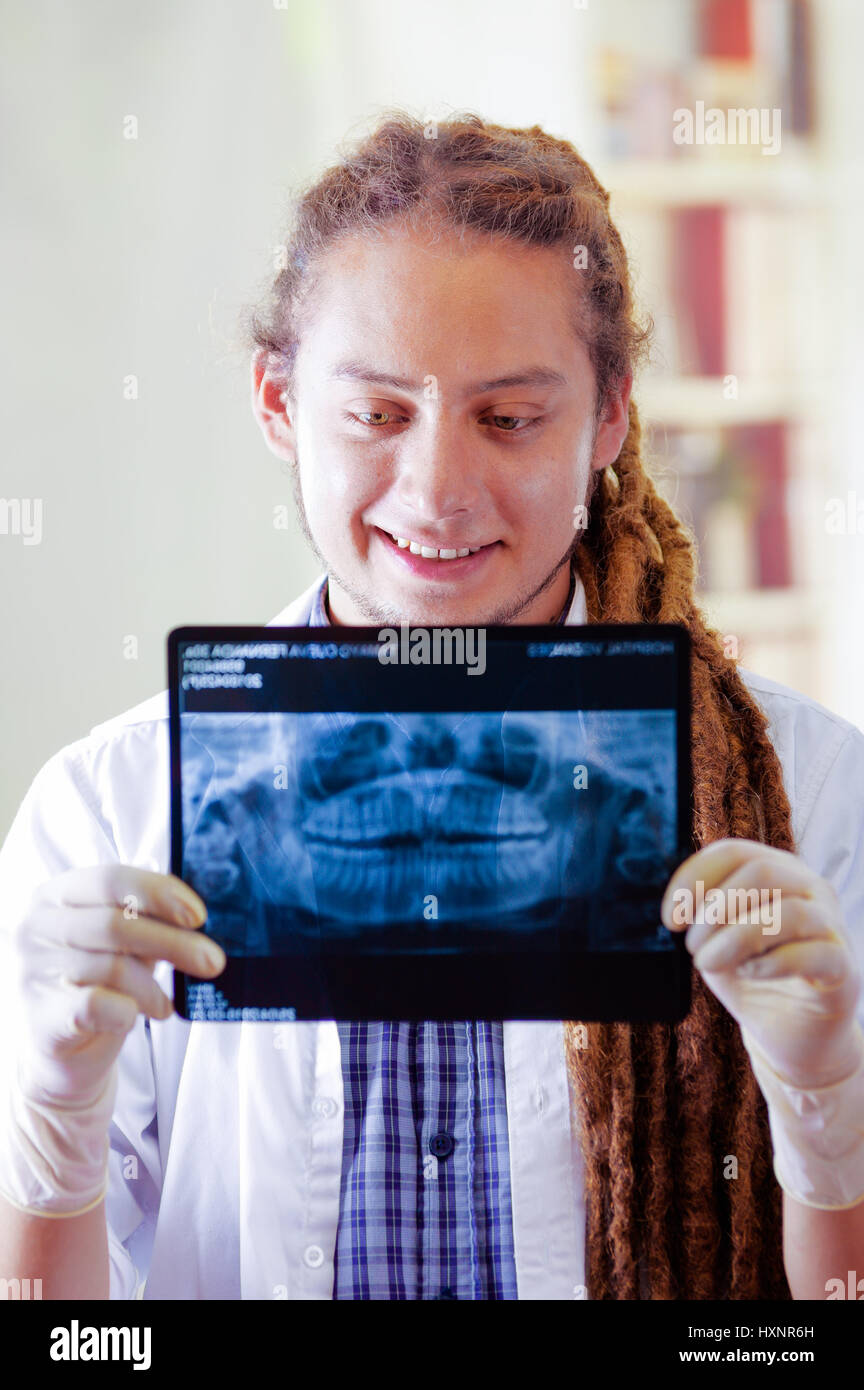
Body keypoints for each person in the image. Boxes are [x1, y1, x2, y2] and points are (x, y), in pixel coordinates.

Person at [1, 111, 863, 1301]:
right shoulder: (106, 813)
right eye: (376, 414)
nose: (439, 491)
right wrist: (48, 1134)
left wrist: (830, 1130)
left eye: (510, 418)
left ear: (609, 415)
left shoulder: (803, 798)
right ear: (278, 403)